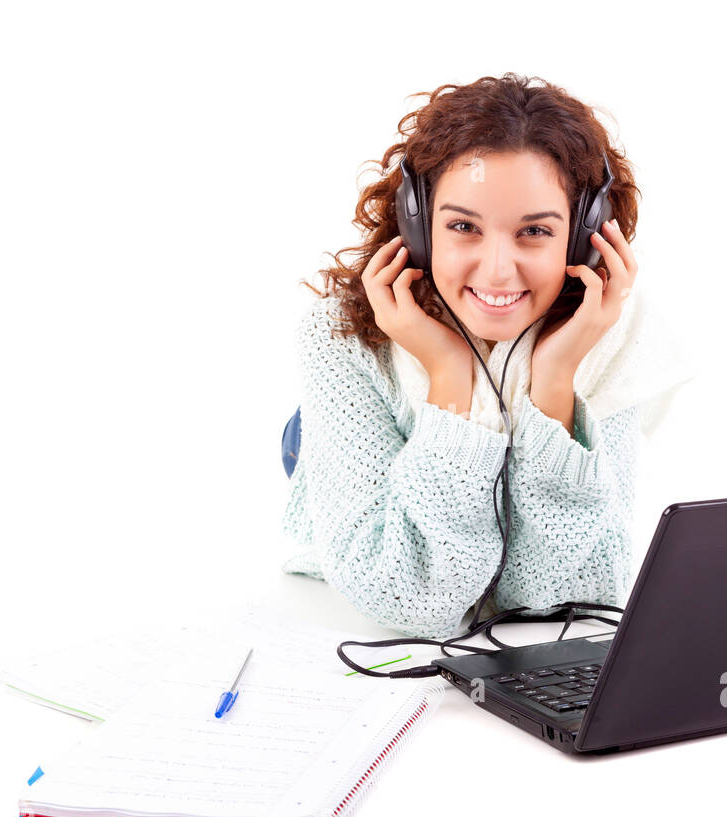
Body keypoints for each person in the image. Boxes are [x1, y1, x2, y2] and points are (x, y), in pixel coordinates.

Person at [279, 73, 691, 641]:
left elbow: (574, 595)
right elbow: (406, 599)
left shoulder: (607, 329)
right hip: (348, 442)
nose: (498, 270)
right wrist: (450, 377)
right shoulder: (339, 336)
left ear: (582, 236)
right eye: (463, 226)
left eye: (535, 232)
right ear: (417, 224)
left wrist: (553, 383)